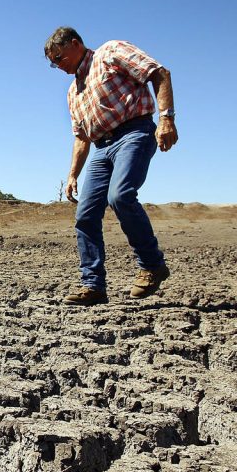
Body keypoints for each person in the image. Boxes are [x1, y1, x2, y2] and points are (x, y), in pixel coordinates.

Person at [45, 26, 178, 305]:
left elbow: (159, 73)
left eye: (59, 57)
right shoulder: (73, 92)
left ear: (75, 43)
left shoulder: (111, 52)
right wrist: (72, 176)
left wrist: (166, 118)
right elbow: (81, 137)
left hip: (133, 132)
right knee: (85, 214)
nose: (57, 66)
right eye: (52, 63)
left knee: (120, 196)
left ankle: (152, 265)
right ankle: (93, 286)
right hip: (100, 148)